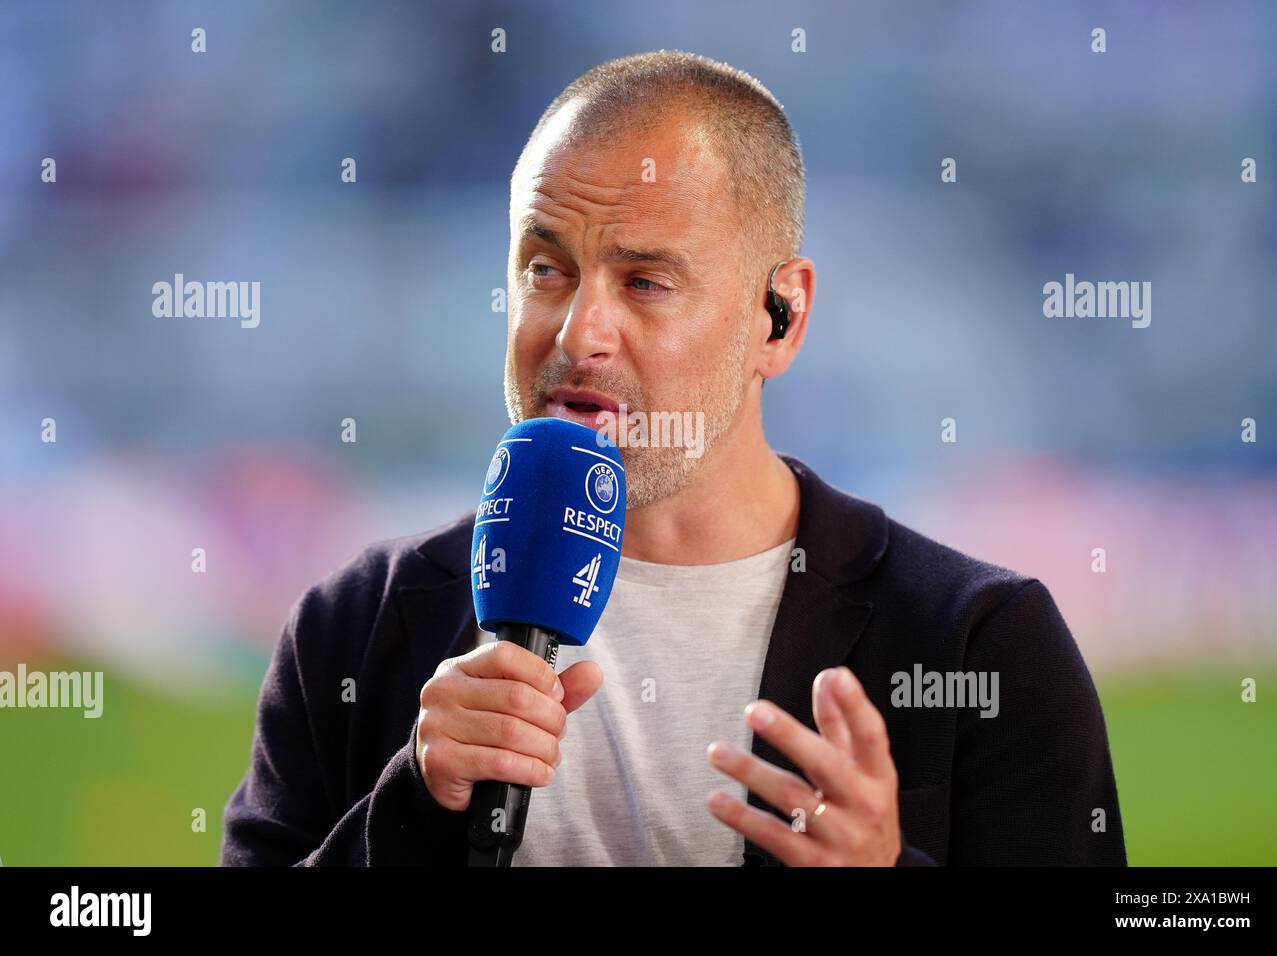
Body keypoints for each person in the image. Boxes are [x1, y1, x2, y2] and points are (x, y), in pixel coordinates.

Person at [220, 50, 1125, 867]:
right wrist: (411, 809)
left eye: (645, 282)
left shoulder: (982, 641)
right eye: (545, 270)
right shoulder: (355, 626)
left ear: (783, 316)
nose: (580, 334)